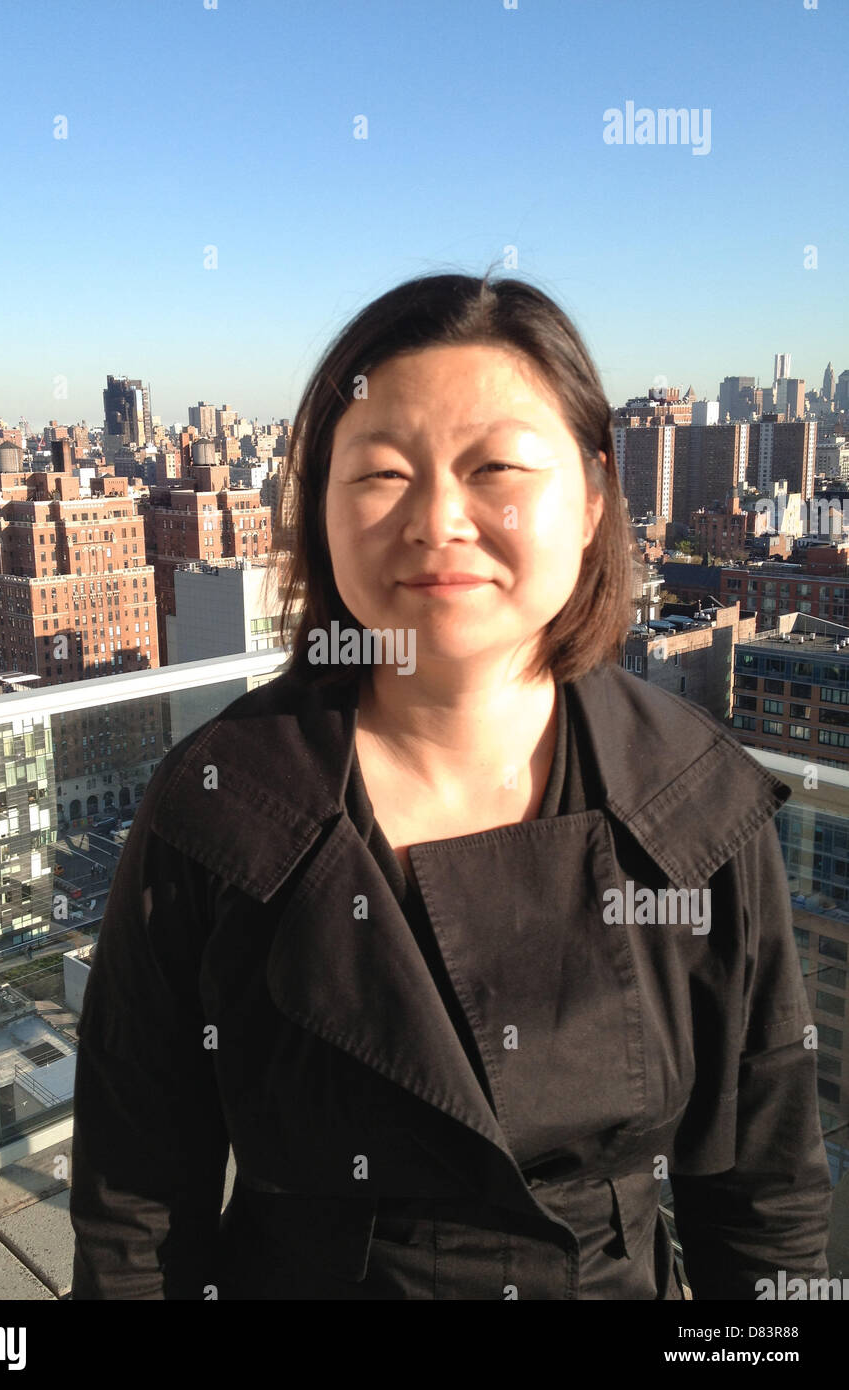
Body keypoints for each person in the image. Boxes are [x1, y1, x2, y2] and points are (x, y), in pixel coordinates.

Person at [69, 271, 832, 1300]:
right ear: (319, 505)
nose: (435, 520)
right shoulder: (214, 809)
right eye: (381, 474)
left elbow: (759, 1198)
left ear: (595, 493)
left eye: (495, 468)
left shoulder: (693, 807)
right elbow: (136, 1205)